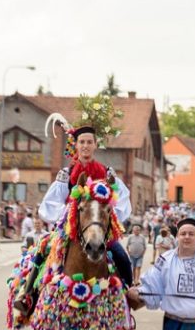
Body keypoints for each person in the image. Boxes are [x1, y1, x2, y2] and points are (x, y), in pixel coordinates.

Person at [38, 122, 134, 288]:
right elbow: (51, 204)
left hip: (100, 228)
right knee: (42, 251)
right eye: (82, 142)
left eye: (90, 142)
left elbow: (122, 200)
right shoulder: (66, 174)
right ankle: (27, 295)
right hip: (69, 229)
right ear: (75, 145)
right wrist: (70, 213)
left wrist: (106, 216)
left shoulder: (107, 173)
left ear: (96, 145)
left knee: (121, 256)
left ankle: (129, 291)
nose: (85, 146)